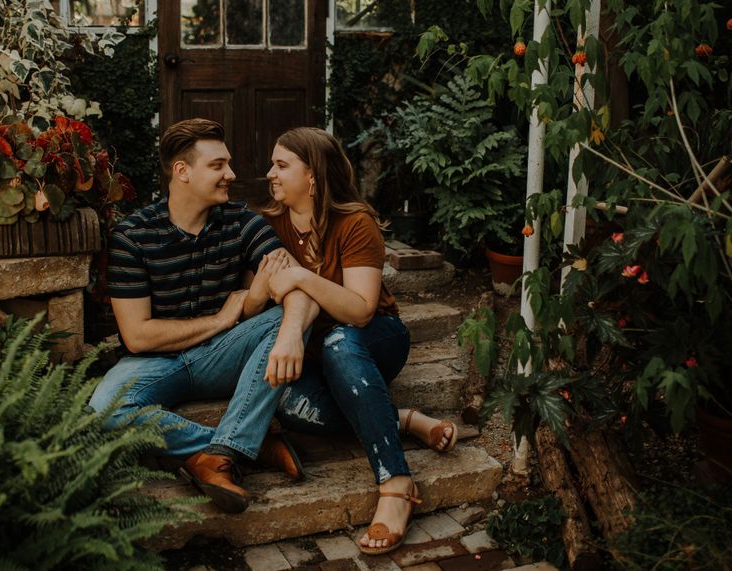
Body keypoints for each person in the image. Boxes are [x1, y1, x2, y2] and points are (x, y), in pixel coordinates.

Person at [246, 127, 459, 555]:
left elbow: (361, 308)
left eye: (281, 165)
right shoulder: (268, 225)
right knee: (290, 406)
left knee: (340, 341)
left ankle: (396, 482)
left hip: (373, 338)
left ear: (313, 176)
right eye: (272, 164)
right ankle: (401, 419)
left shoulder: (355, 223)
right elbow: (256, 304)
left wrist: (304, 276)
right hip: (311, 353)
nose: (270, 173)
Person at [88, 118, 318, 514]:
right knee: (104, 411)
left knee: (292, 313)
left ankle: (222, 451)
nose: (231, 174)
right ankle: (244, 444)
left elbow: (299, 286)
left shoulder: (243, 223)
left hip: (222, 356)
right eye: (218, 165)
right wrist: (222, 318)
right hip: (153, 363)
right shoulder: (133, 236)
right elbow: (137, 337)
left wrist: (292, 331)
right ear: (182, 171)